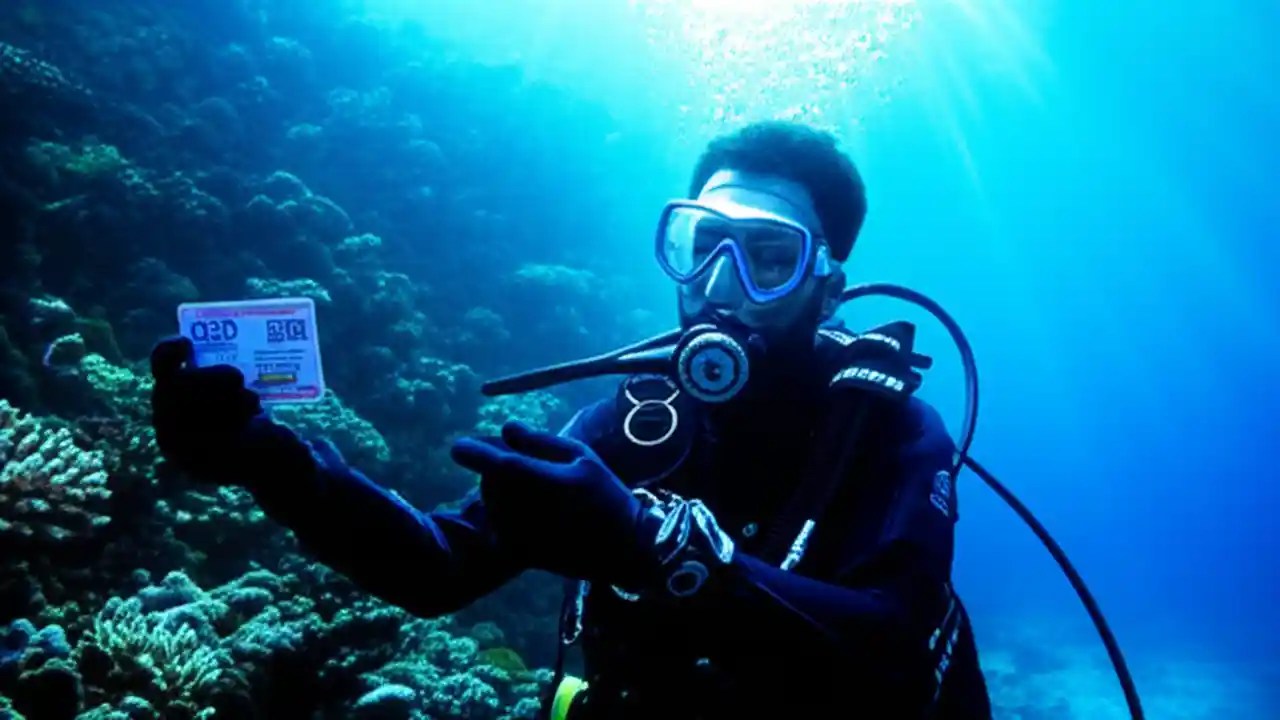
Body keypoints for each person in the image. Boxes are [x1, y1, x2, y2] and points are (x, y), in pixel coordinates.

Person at [149, 120, 993, 719]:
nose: (722, 283)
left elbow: (892, 653)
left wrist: (653, 550)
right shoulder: (632, 428)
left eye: (769, 257)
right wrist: (263, 457)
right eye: (703, 244)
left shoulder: (889, 434)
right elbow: (438, 567)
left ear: (826, 283)